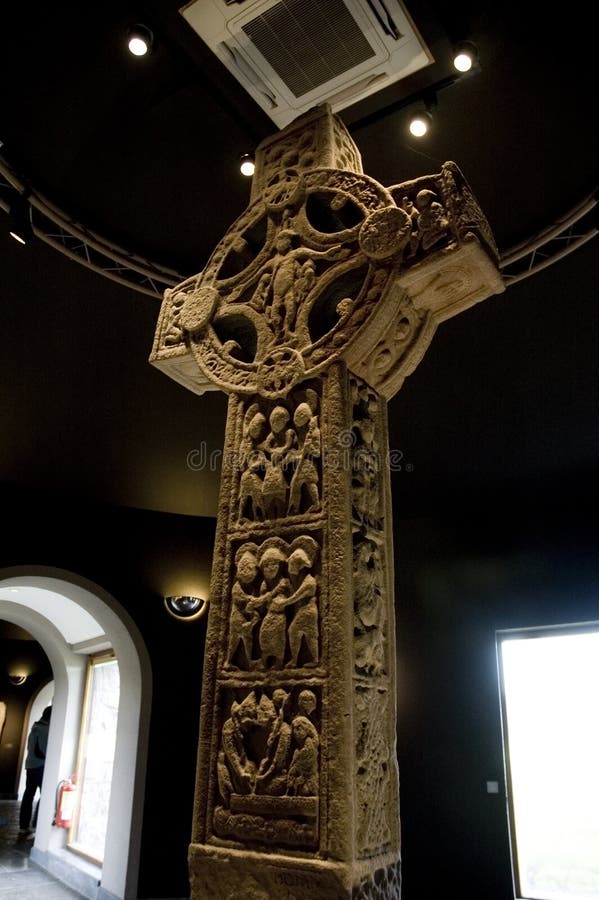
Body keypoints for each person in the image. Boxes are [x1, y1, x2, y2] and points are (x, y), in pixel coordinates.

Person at [19, 705, 52, 833]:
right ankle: (37, 824)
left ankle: (23, 825)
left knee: (28, 795)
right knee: (46, 795)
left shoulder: (35, 727)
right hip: (40, 766)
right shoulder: (46, 729)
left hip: (31, 765)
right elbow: (44, 751)